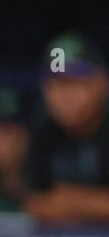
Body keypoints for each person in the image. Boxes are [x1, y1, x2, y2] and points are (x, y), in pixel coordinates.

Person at [25, 33, 109, 225]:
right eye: (57, 84)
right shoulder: (44, 127)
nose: (66, 95)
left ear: (101, 84)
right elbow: (34, 202)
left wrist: (73, 200)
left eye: (77, 83)